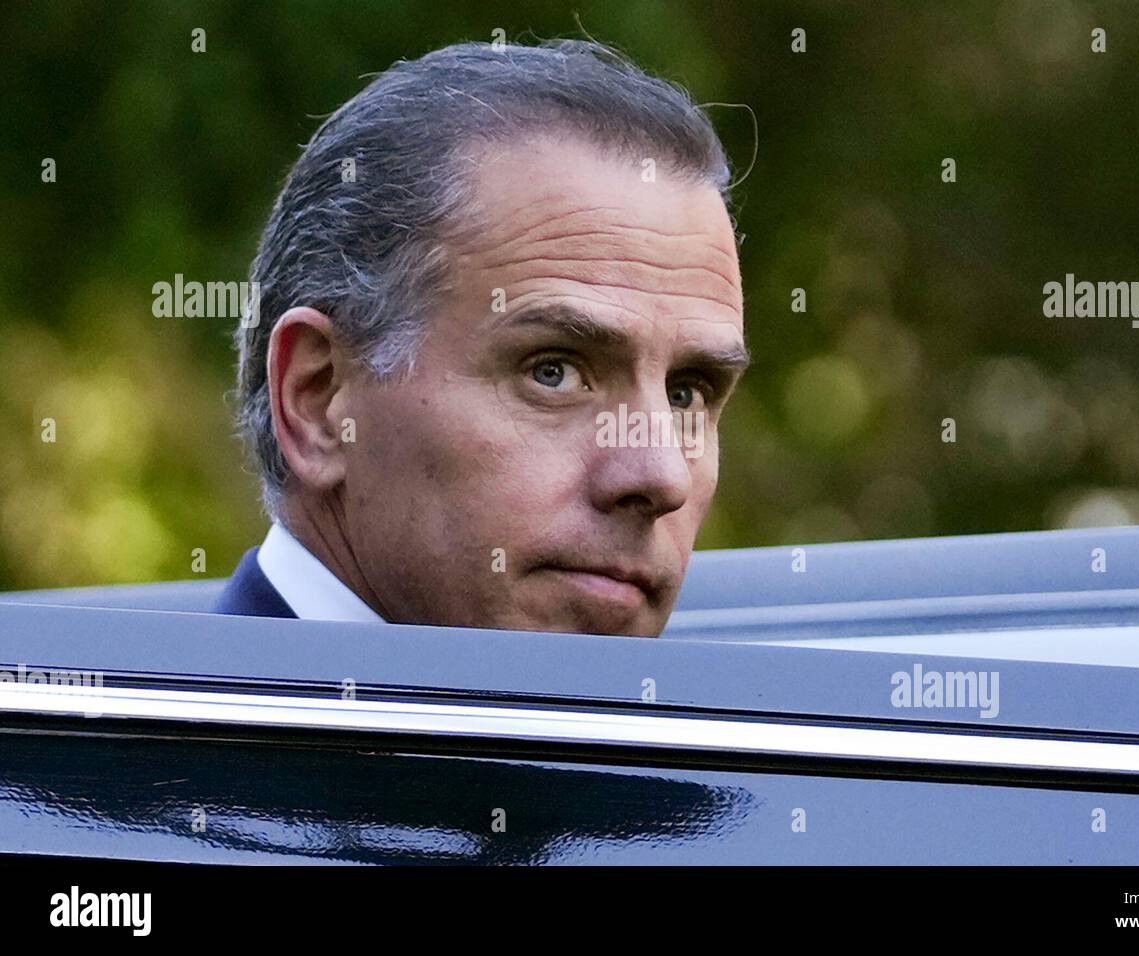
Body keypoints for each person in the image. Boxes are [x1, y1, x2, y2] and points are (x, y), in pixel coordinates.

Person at [215, 39, 748, 637]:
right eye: (555, 371)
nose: (660, 475)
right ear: (317, 400)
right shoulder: (124, 727)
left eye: (687, 395)